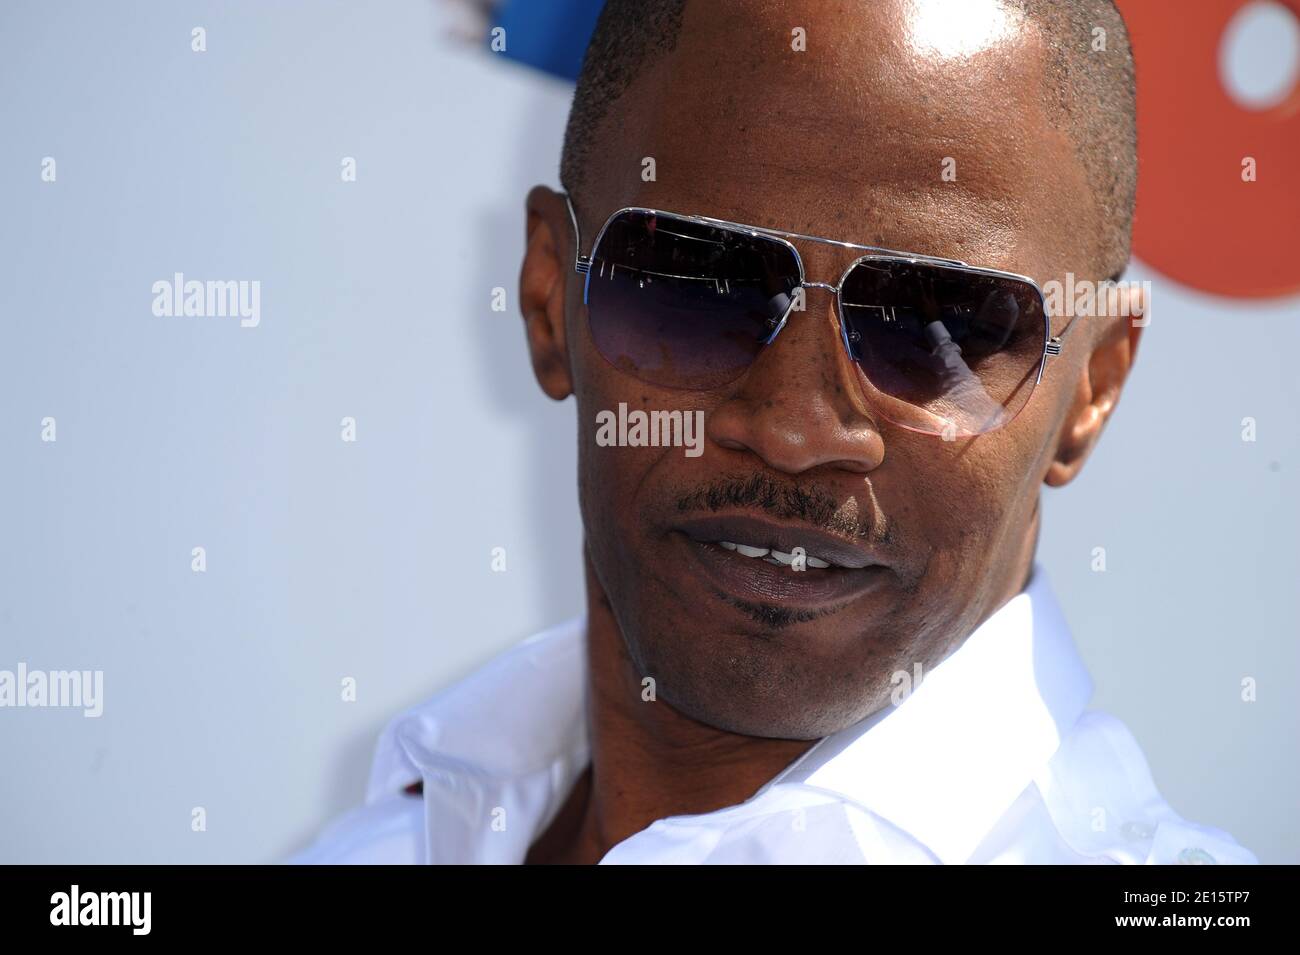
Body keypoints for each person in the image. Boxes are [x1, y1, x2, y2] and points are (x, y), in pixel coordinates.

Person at [293, 0, 1256, 864]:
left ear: (1094, 385)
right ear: (551, 297)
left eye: (941, 325)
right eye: (698, 284)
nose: (797, 429)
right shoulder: (392, 841)